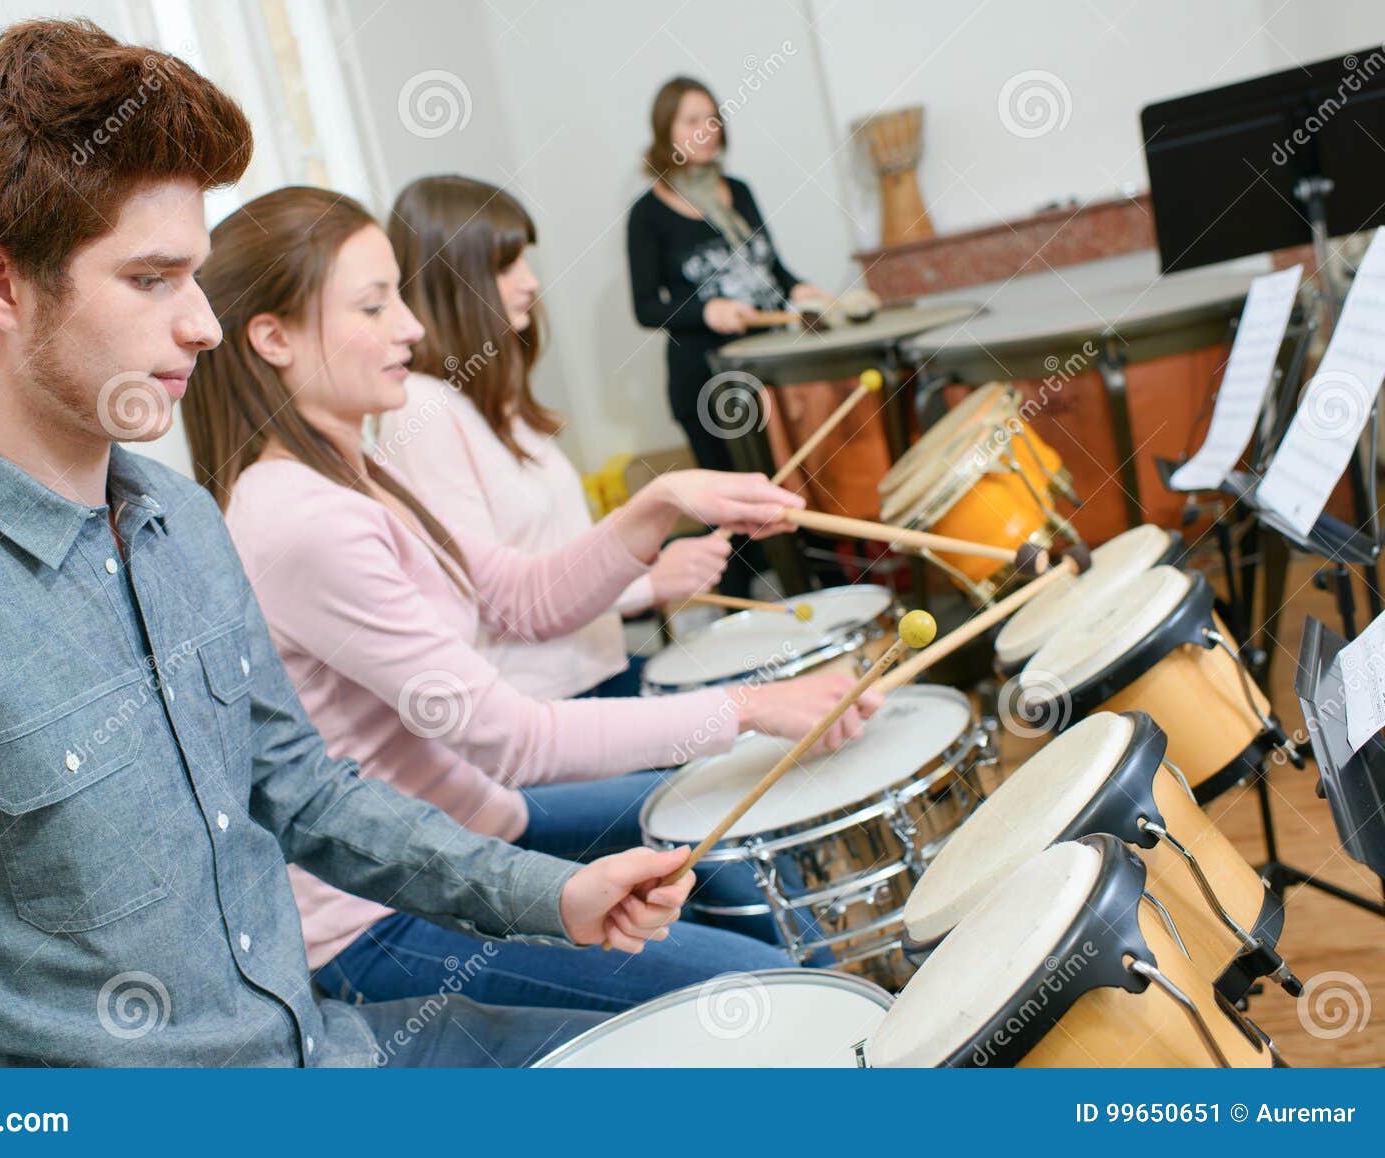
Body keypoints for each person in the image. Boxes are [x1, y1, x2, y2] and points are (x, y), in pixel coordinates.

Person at [0, 19, 693, 1070]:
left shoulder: (181, 520)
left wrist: (546, 894)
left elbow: (303, 790)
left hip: (324, 1055)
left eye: (197, 277)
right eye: (151, 280)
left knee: (722, 1072)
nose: (205, 327)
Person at [182, 185, 882, 1011]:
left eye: (400, 298)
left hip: (474, 828)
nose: (410, 328)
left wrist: (661, 503)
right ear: (273, 338)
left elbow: (520, 597)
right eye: (373, 307)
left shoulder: (353, 474)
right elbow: (512, 739)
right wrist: (751, 706)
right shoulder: (301, 518)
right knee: (755, 987)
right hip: (381, 914)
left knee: (724, 826)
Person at [379, 173, 729, 701]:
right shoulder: (420, 410)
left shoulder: (494, 397)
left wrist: (647, 563)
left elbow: (556, 551)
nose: (530, 282)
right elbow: (490, 597)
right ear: (453, 282)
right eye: (506, 266)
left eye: (525, 260)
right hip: (539, 700)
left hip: (596, 669)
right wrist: (646, 582)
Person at [627, 76, 830, 597]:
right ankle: (738, 612)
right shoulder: (648, 214)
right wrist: (706, 311)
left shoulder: (737, 191)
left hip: (769, 369)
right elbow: (646, 306)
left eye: (712, 118)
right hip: (707, 381)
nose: (707, 130)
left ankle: (824, 594)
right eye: (692, 120)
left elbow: (770, 270)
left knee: (794, 487)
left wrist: (800, 289)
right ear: (666, 131)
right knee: (731, 509)